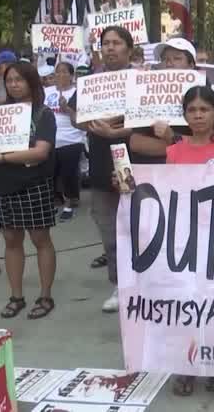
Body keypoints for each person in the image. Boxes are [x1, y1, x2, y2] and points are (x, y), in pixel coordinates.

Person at [166, 85, 214, 396]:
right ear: (184, 115)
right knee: (186, 303)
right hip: (184, 236)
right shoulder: (173, 150)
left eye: (204, 110)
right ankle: (186, 365)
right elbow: (164, 190)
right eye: (191, 110)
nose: (197, 115)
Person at [66, 26, 134, 313]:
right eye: (106, 43)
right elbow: (75, 116)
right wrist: (85, 123)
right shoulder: (91, 84)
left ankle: (147, 286)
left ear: (129, 49)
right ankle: (119, 286)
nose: (110, 48)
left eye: (117, 43)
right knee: (110, 232)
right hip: (101, 167)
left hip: (137, 165)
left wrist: (116, 129)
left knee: (140, 229)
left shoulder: (142, 80)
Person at [0, 63, 57, 320]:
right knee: (11, 241)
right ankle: (16, 296)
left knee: (41, 240)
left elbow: (41, 152)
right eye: (10, 80)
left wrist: (4, 157)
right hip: (3, 185)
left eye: (20, 80)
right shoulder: (0, 114)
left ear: (31, 82)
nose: (14, 84)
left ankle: (45, 295)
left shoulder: (43, 114)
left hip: (34, 184)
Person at [129, 38, 199, 163]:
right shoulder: (145, 90)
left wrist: (171, 137)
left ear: (191, 65)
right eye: (165, 59)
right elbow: (136, 143)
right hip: (150, 169)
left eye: (177, 58)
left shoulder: (202, 93)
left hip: (186, 170)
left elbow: (206, 142)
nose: (169, 63)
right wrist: (180, 144)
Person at [46, 62, 87, 221]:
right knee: (51, 174)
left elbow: (81, 118)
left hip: (71, 139)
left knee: (68, 174)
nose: (60, 75)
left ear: (71, 75)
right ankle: (57, 201)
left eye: (64, 72)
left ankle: (70, 202)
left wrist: (67, 109)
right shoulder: (47, 92)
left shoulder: (78, 92)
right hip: (50, 141)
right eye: (58, 72)